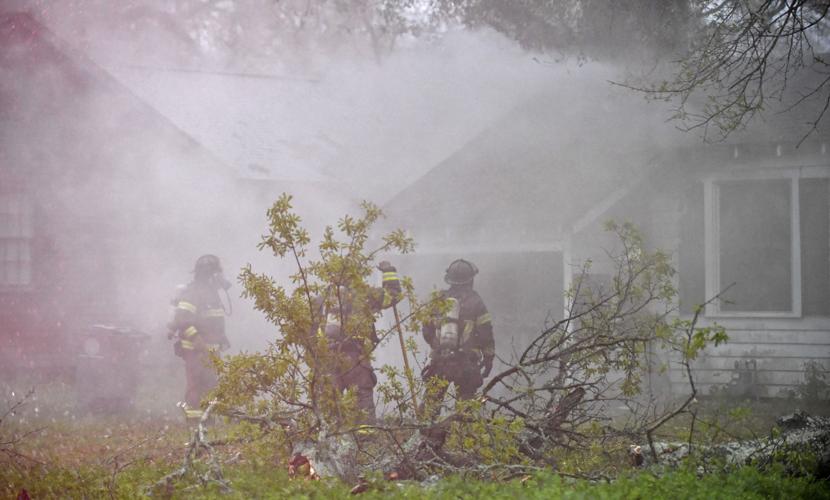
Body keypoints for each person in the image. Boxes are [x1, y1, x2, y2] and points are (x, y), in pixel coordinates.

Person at [312, 261, 402, 425]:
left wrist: (315, 358)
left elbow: (307, 329)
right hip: (356, 358)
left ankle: (326, 436)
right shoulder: (364, 295)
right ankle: (365, 437)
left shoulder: (322, 298)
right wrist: (389, 272)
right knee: (362, 403)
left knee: (328, 406)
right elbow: (393, 295)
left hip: (328, 359)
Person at [422, 259, 494, 415]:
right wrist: (488, 358)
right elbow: (486, 333)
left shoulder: (439, 299)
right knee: (465, 408)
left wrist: (437, 346)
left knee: (430, 406)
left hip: (440, 361)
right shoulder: (476, 301)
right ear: (470, 280)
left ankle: (423, 429)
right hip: (466, 362)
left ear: (449, 279)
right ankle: (462, 430)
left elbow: (426, 329)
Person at [169, 254, 231, 422]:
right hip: (196, 350)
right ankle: (195, 423)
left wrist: (221, 338)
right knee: (196, 386)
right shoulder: (194, 292)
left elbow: (211, 320)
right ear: (210, 274)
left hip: (210, 351)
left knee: (210, 386)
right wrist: (198, 342)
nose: (221, 277)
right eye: (218, 273)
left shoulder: (211, 293)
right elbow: (183, 320)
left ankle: (207, 420)